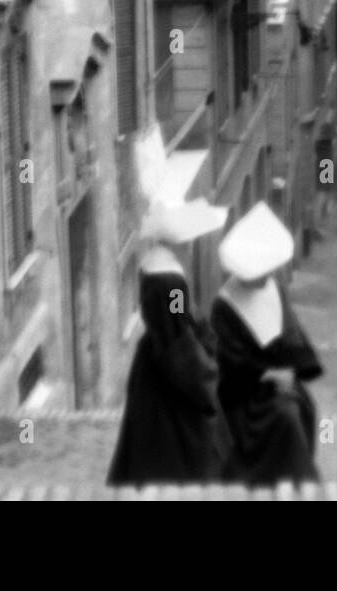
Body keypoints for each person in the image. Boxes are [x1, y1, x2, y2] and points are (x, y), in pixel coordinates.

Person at [106, 198, 230, 487]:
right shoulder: (169, 283)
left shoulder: (157, 268)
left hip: (155, 361)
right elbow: (176, 331)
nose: (190, 247)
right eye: (188, 242)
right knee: (186, 449)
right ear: (178, 244)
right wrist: (206, 378)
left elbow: (179, 323)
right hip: (171, 371)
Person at [210, 201, 323, 485]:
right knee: (285, 416)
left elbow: (290, 333)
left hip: (280, 381)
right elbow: (229, 361)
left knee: (306, 409)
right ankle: (296, 482)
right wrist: (267, 374)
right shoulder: (224, 306)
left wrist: (292, 368)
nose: (266, 277)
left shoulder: (275, 289)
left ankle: (298, 476)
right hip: (245, 392)